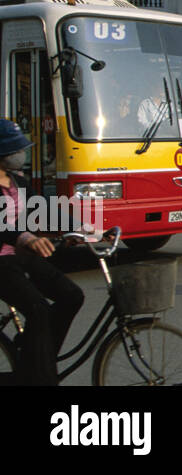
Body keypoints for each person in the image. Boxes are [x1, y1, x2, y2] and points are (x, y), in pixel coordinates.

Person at [0, 119, 85, 385]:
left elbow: (42, 209)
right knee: (37, 308)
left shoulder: (18, 181)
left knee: (72, 296)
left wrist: (83, 229)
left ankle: (38, 357)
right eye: (14, 150)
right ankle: (41, 376)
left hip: (20, 254)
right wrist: (25, 237)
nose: (20, 155)